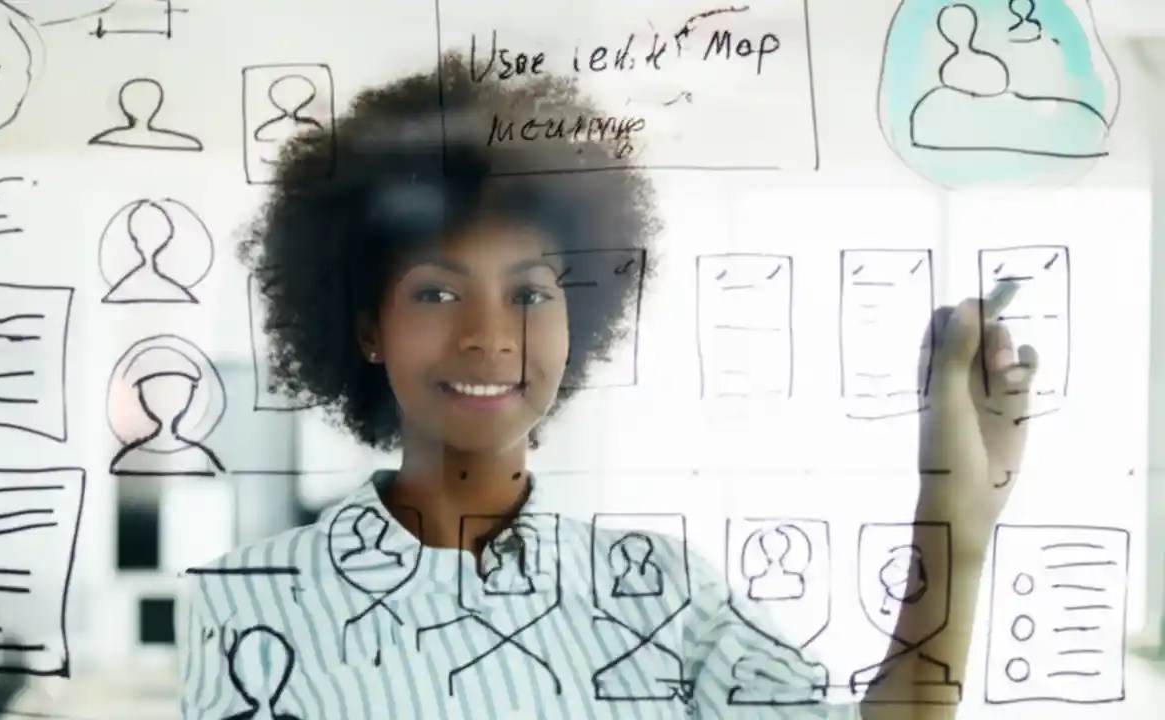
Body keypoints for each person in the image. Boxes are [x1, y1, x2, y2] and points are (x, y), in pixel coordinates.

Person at [181, 53, 1040, 718]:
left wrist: (955, 514)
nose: (487, 334)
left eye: (529, 294)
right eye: (437, 292)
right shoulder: (245, 605)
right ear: (367, 326)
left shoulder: (665, 593)